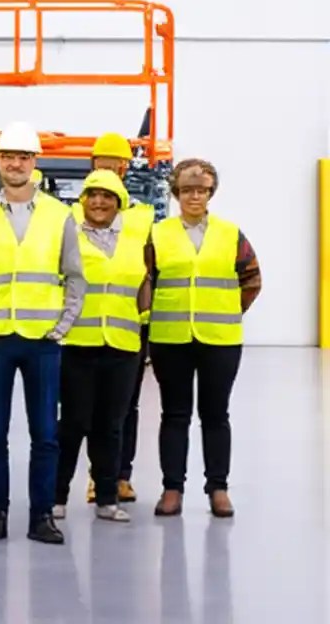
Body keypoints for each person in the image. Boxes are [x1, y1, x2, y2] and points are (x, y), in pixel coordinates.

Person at [0, 121, 86, 544]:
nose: (16, 164)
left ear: (34, 162)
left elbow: (74, 275)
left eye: (23, 157)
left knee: (45, 434)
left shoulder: (59, 215)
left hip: (41, 341)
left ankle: (41, 516)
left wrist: (63, 325)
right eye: (9, 157)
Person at [146, 158, 260, 518]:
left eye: (202, 190)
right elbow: (146, 282)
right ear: (175, 193)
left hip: (220, 339)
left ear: (211, 193)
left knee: (215, 415)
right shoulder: (158, 234)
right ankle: (172, 489)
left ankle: (218, 488)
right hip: (170, 338)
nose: (194, 196)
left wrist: (228, 310)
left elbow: (252, 279)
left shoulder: (230, 234)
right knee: (174, 414)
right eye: (187, 190)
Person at [52, 170, 150, 523]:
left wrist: (144, 324)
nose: (98, 202)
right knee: (73, 423)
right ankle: (56, 497)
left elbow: (144, 283)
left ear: (119, 203)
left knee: (111, 425)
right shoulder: (69, 235)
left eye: (107, 196)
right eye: (92, 195)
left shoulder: (135, 239)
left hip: (122, 345)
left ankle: (107, 498)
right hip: (77, 343)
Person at [74, 132, 156, 505]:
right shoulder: (74, 215)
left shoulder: (144, 216)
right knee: (85, 411)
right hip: (84, 329)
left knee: (126, 408)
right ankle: (96, 479)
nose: (108, 169)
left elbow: (151, 271)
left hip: (128, 326)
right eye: (101, 164)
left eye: (114, 164)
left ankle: (122, 475)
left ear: (125, 168)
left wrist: (146, 323)